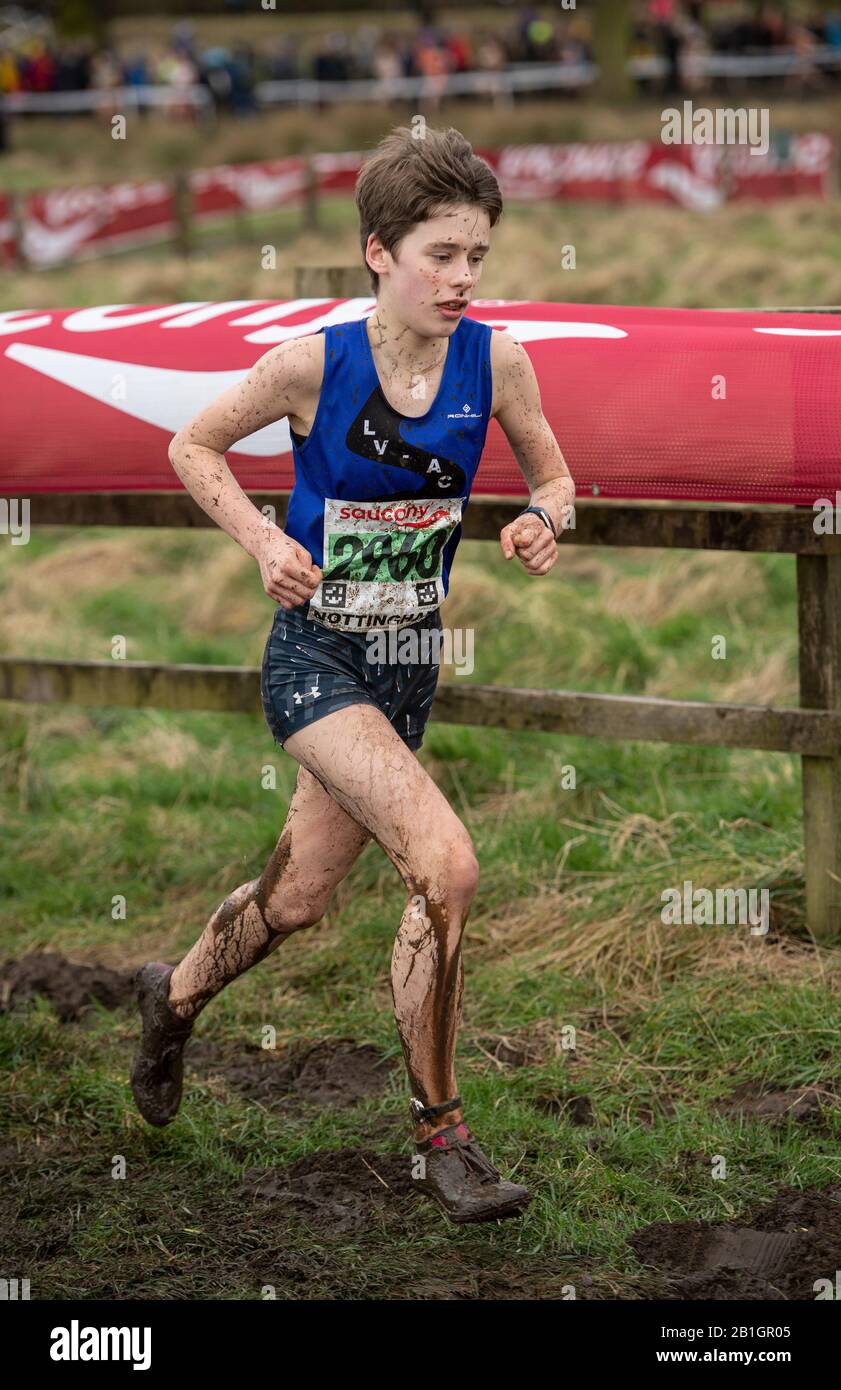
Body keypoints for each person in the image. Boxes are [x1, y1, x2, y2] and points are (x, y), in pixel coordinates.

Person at [131, 124, 575, 1225]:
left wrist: (538, 518)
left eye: (477, 255)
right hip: (317, 661)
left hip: (410, 664)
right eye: (441, 254)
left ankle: (170, 999)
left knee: (298, 896)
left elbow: (560, 476)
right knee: (447, 865)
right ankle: (444, 1139)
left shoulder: (498, 359)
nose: (463, 277)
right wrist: (264, 543)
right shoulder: (310, 364)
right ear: (379, 251)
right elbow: (192, 445)